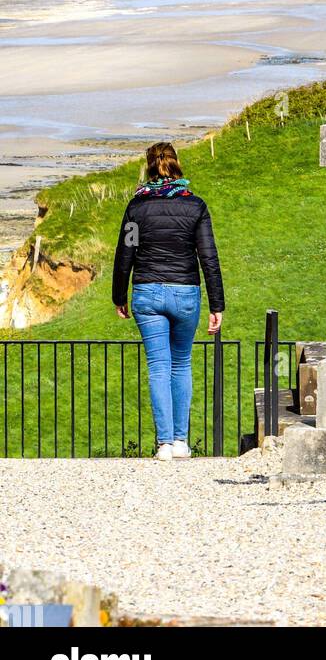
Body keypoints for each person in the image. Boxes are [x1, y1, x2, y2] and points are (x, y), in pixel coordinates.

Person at [112, 141, 225, 461]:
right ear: (177, 164)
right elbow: (208, 257)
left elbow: (126, 252)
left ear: (148, 167)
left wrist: (119, 295)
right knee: (181, 364)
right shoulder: (195, 205)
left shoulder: (137, 207)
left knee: (158, 367)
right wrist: (217, 304)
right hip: (185, 293)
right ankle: (180, 441)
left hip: (146, 293)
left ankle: (163, 444)